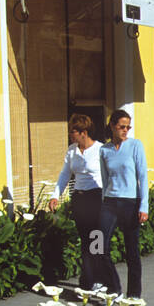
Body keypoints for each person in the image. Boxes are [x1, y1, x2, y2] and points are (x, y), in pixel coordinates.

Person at [49, 114, 106, 290]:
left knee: (97, 240)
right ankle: (88, 280)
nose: (70, 135)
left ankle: (99, 279)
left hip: (97, 198)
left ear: (84, 132)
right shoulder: (72, 150)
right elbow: (65, 174)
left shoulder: (101, 150)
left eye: (72, 131)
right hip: (80, 198)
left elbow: (109, 176)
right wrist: (55, 195)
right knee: (85, 241)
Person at [99, 109, 149, 298]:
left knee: (132, 252)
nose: (125, 130)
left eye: (128, 127)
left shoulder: (136, 146)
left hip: (130, 202)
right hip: (110, 202)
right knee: (98, 246)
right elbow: (104, 180)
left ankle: (134, 294)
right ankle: (113, 288)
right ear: (112, 126)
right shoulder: (104, 150)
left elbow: (143, 176)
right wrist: (103, 202)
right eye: (122, 127)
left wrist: (144, 206)